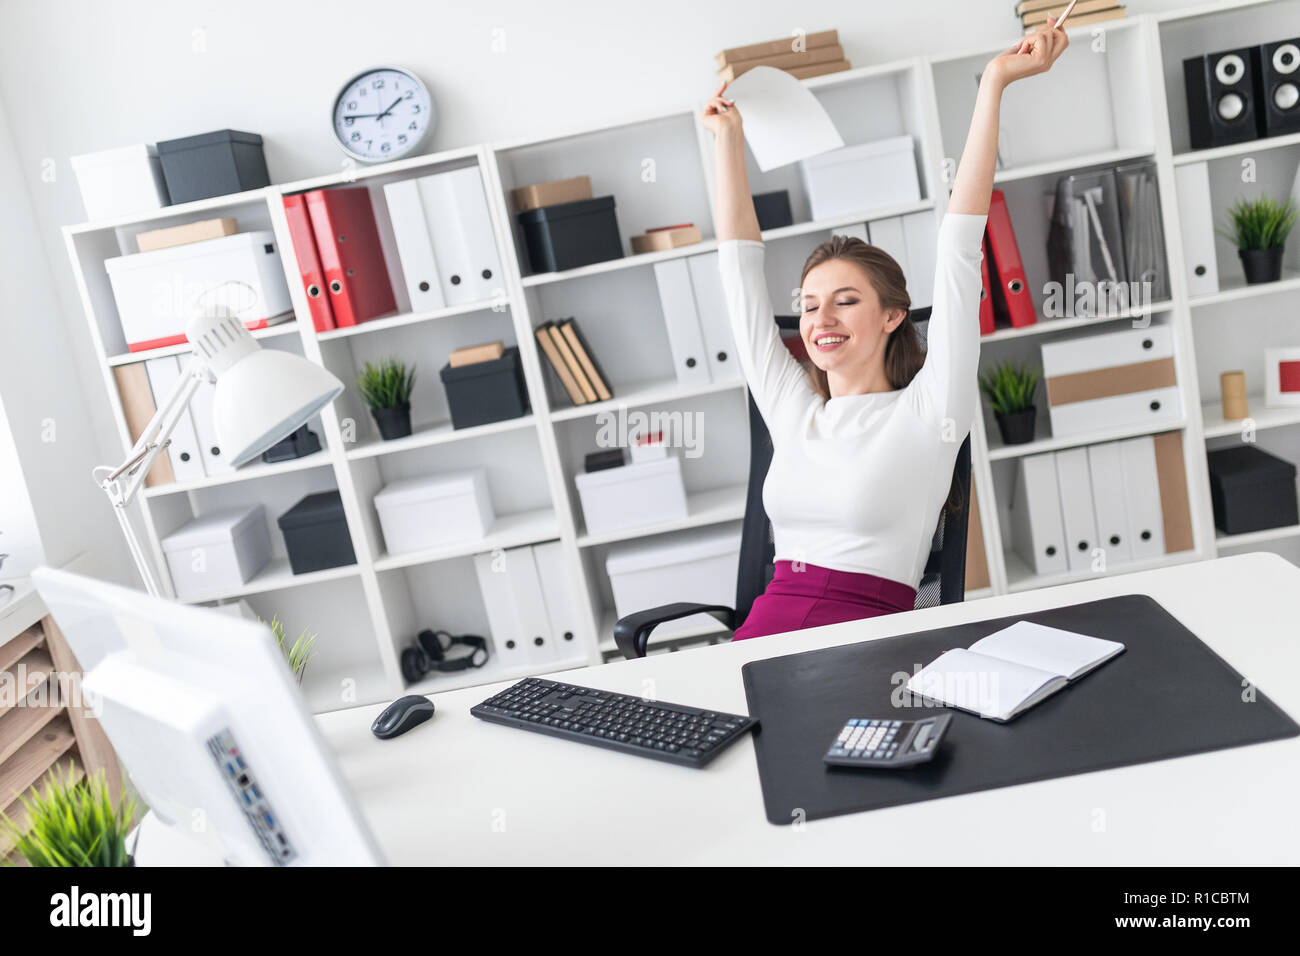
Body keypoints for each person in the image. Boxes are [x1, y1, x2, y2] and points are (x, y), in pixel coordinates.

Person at [704, 18, 1071, 641]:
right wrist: (727, 142)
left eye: (846, 301)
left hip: (865, 649)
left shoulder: (929, 410)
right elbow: (738, 276)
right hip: (759, 639)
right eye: (810, 304)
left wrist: (995, 86)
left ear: (893, 314)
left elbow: (960, 245)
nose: (821, 320)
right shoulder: (794, 413)